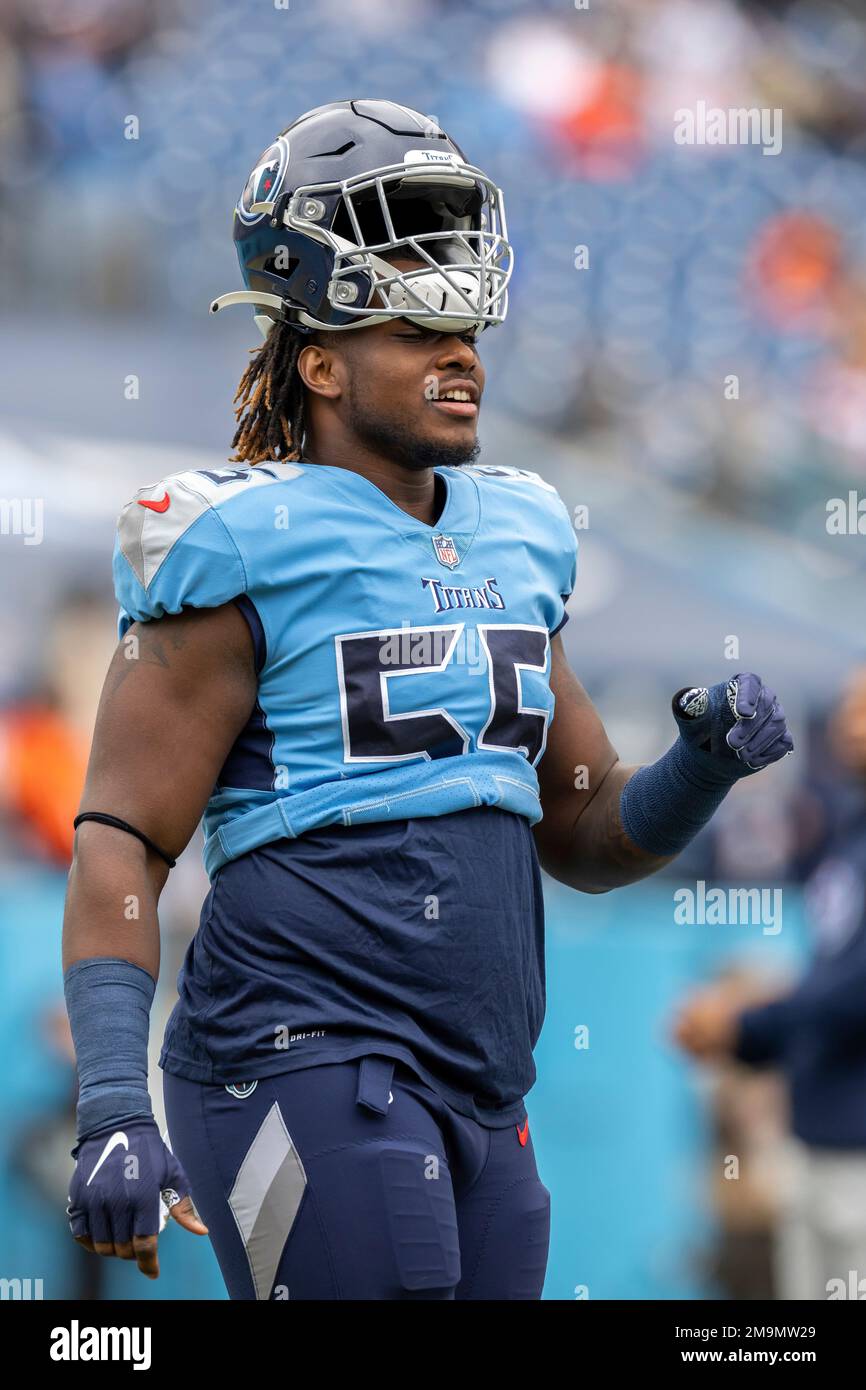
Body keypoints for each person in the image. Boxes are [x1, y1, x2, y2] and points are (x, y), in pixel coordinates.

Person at [62, 99, 794, 1301]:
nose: (461, 355)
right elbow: (122, 839)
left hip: (477, 1081)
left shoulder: (517, 528)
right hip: (295, 1051)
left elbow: (586, 830)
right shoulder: (241, 538)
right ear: (319, 358)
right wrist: (108, 1100)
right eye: (415, 328)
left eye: (466, 328)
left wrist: (699, 763)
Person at [673, 668, 866, 1301]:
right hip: (822, 1140)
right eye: (848, 701)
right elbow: (834, 978)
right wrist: (749, 1028)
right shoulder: (848, 836)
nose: (849, 720)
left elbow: (852, 991)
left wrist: (745, 1023)